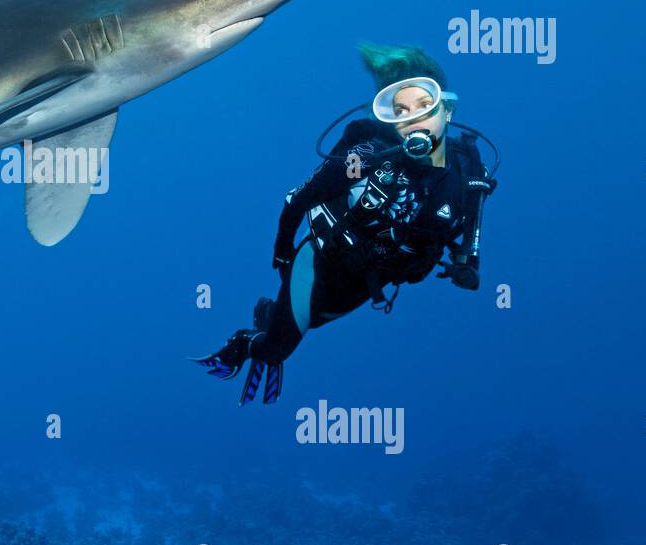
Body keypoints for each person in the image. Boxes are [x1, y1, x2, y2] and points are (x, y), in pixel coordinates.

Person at [191, 43, 498, 406]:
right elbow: (296, 200)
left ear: (447, 109)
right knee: (278, 348)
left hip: (370, 280)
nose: (412, 119)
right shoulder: (366, 156)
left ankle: (270, 314)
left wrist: (467, 265)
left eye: (424, 105)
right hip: (321, 261)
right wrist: (283, 255)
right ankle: (245, 343)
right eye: (399, 110)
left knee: (310, 323)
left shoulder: (469, 172)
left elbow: (468, 228)